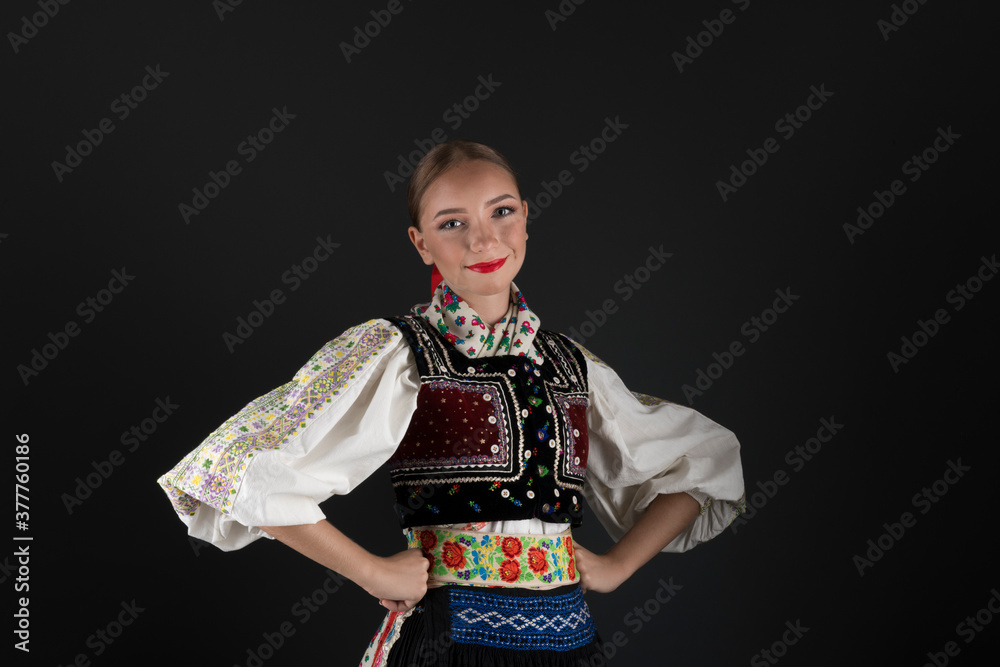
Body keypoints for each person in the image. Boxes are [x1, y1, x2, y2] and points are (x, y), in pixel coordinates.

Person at [157, 139, 746, 666]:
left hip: (570, 642)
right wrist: (370, 570)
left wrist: (617, 566)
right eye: (452, 223)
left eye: (502, 212)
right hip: (450, 643)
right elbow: (237, 465)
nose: (484, 239)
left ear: (525, 220)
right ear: (420, 244)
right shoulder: (398, 350)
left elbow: (701, 459)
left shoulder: (572, 364)